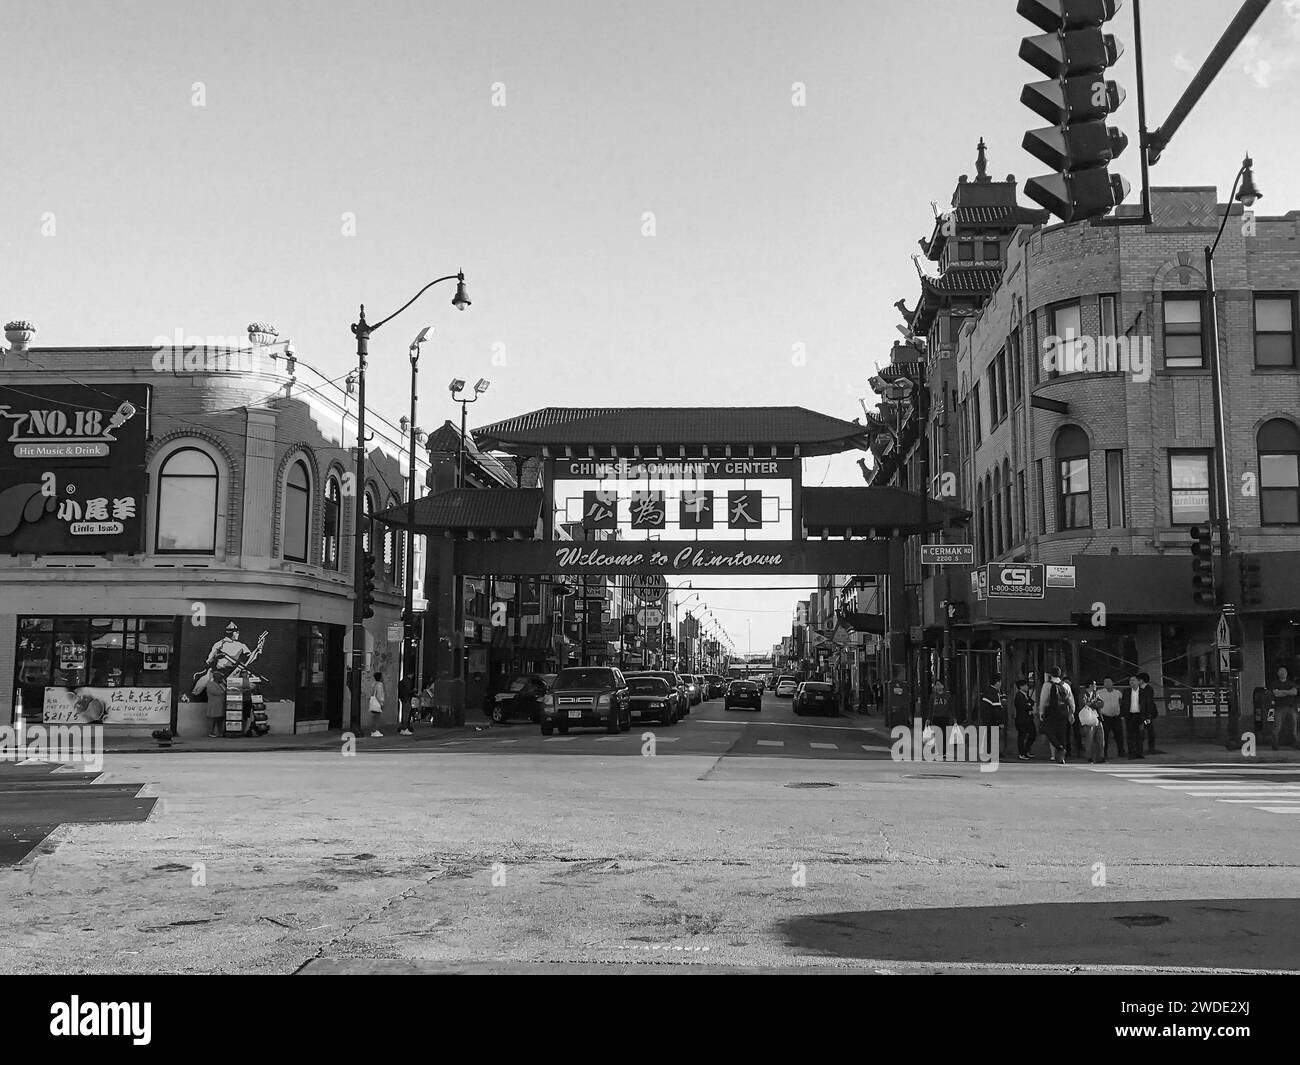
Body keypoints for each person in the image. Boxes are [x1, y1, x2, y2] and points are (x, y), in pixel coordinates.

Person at [1037, 668, 1075, 764]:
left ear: (1051, 674)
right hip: (1063, 712)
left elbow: (1043, 700)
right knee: (1062, 734)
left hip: (1051, 711)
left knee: (1048, 731)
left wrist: (1041, 712)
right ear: (1060, 674)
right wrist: (1071, 712)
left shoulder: (1047, 685)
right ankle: (1061, 757)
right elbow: (1071, 700)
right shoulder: (1065, 685)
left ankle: (1059, 748)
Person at [1123, 674, 1154, 759]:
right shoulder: (1126, 691)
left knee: (1140, 735)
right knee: (1130, 735)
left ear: (1138, 682)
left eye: (1134, 680)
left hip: (1140, 716)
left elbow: (1148, 705)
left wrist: (1148, 717)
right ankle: (1131, 753)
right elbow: (1123, 704)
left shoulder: (1143, 692)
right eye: (1130, 681)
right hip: (1130, 716)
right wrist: (1123, 715)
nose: (1132, 682)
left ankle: (1139, 753)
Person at [1269, 666, 1299, 750]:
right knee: (1277, 727)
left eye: (1284, 672)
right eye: (1280, 672)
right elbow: (1276, 694)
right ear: (1278, 674)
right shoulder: (1275, 683)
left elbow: (1294, 692)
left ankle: (1296, 743)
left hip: (1291, 708)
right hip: (1279, 708)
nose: (1282, 673)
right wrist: (1288, 692)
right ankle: (1274, 744)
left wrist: (1282, 691)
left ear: (1286, 673)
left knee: (1294, 726)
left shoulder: (1291, 683)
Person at [1096, 676, 1125, 760]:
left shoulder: (1117, 692)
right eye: (1105, 682)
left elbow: (1122, 702)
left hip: (1116, 717)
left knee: (1119, 735)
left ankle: (1121, 752)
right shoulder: (1099, 692)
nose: (1107, 684)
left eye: (1109, 682)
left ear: (1112, 683)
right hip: (1105, 717)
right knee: (1104, 736)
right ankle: (1104, 753)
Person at [1077, 681, 1105, 763]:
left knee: (1100, 739)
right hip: (1088, 719)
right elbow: (1084, 704)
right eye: (1094, 684)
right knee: (1089, 740)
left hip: (1097, 718)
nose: (1095, 686)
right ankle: (1090, 757)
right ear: (1090, 685)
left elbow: (1101, 703)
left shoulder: (1096, 694)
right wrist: (1094, 703)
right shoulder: (1083, 694)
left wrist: (1093, 703)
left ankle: (1100, 757)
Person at [981, 672, 1007, 756]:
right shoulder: (994, 693)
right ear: (997, 682)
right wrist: (1000, 721)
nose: (1000, 684)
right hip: (992, 720)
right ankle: (991, 753)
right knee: (993, 737)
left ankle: (990, 752)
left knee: (990, 737)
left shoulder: (988, 691)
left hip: (987, 719)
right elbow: (997, 709)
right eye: (1000, 682)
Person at [928, 680, 953, 759]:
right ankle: (939, 751)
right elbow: (930, 708)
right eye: (936, 685)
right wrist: (929, 718)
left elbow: (951, 708)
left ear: (943, 686)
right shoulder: (933, 696)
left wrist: (953, 718)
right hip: (936, 718)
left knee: (945, 735)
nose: (937, 686)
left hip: (945, 717)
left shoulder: (948, 696)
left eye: (939, 685)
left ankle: (944, 752)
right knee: (938, 736)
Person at [1013, 677, 1036, 760]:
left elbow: (1032, 702)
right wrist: (1029, 706)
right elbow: (1023, 706)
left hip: (1029, 719)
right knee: (1022, 736)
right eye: (1025, 685)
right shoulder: (1019, 695)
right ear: (1021, 687)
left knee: (1033, 734)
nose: (1027, 687)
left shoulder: (1026, 695)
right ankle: (1022, 753)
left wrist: (1029, 705)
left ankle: (1026, 750)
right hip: (1022, 719)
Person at [1138, 672, 1159, 754]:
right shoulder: (1140, 689)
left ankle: (1151, 748)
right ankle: (1141, 747)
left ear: (1142, 680)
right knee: (1143, 730)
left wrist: (1148, 716)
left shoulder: (1148, 689)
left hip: (1147, 714)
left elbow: (1148, 703)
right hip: (1142, 713)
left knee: (1147, 730)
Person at [368, 671, 386, 737]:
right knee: (377, 717)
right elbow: (379, 695)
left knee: (374, 717)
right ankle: (374, 731)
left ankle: (374, 730)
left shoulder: (373, 684)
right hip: (377, 702)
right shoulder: (380, 685)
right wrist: (381, 703)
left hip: (373, 702)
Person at [397, 672, 414, 736]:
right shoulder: (408, 682)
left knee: (404, 714)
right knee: (406, 715)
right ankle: (404, 729)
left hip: (403, 699)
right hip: (407, 699)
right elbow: (408, 691)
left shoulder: (402, 682)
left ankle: (403, 728)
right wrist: (413, 691)